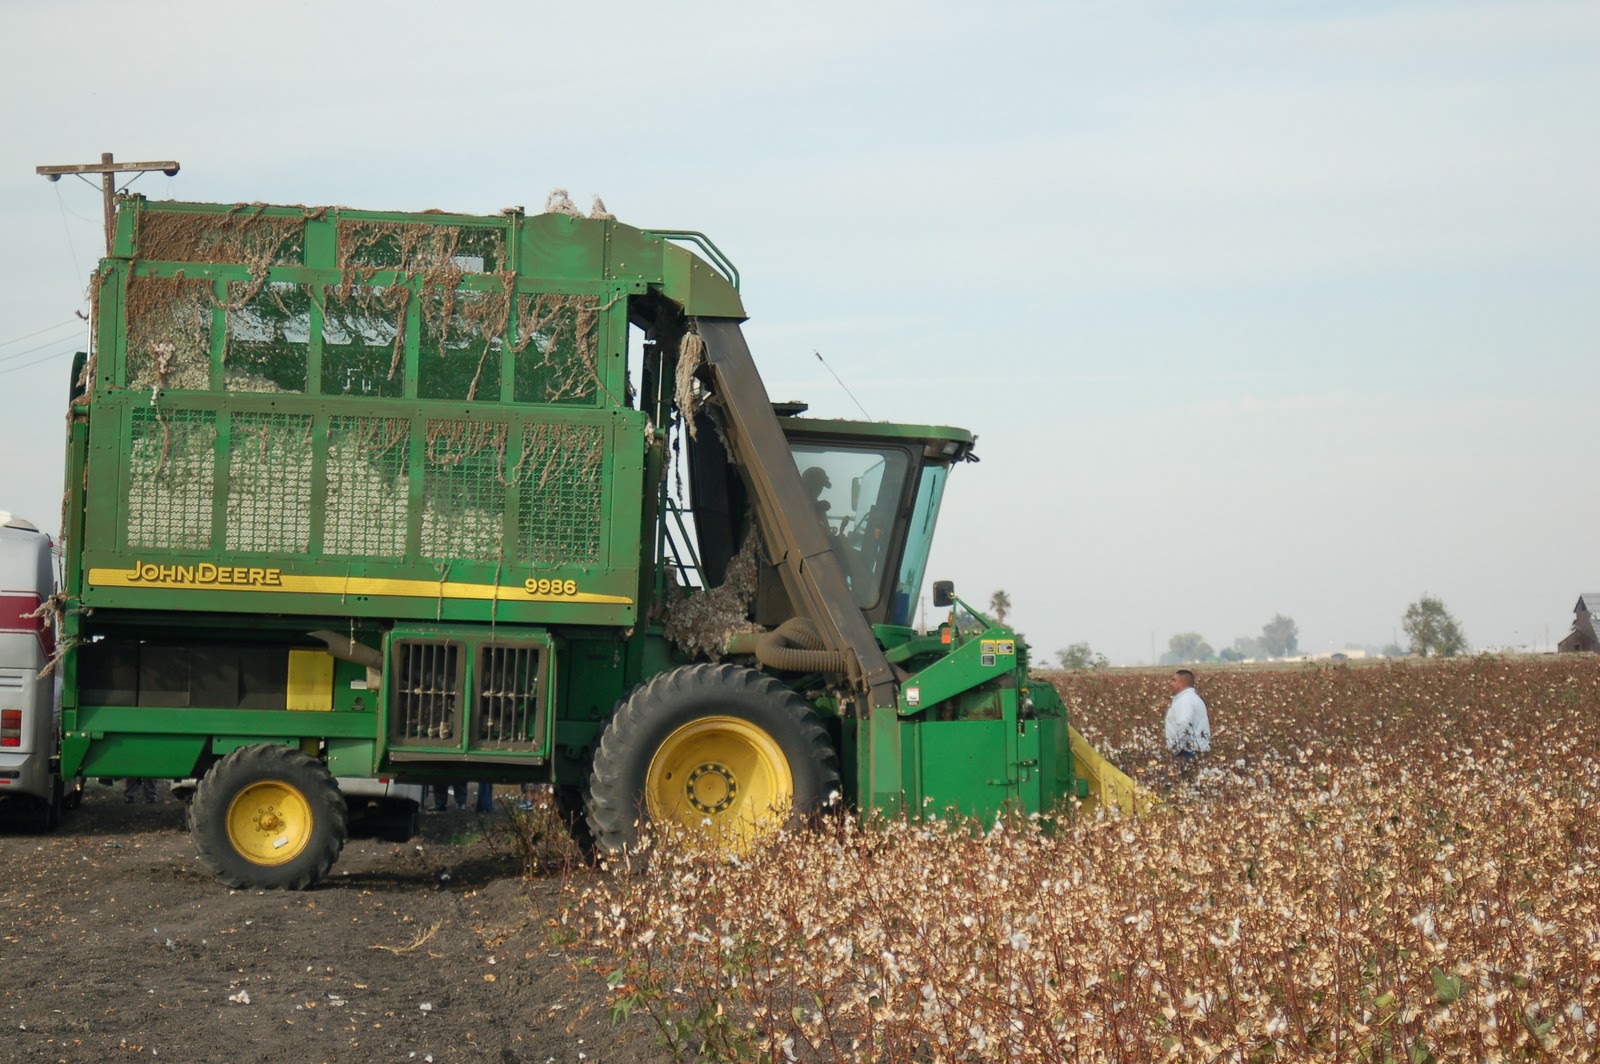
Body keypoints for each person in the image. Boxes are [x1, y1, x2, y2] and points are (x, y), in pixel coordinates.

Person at [1164, 669, 1211, 771]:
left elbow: (1184, 725)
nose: (1171, 684)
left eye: (1174, 680)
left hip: (1187, 753)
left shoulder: (1186, 700)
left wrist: (1177, 750)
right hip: (1191, 751)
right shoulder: (1189, 698)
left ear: (1184, 682)